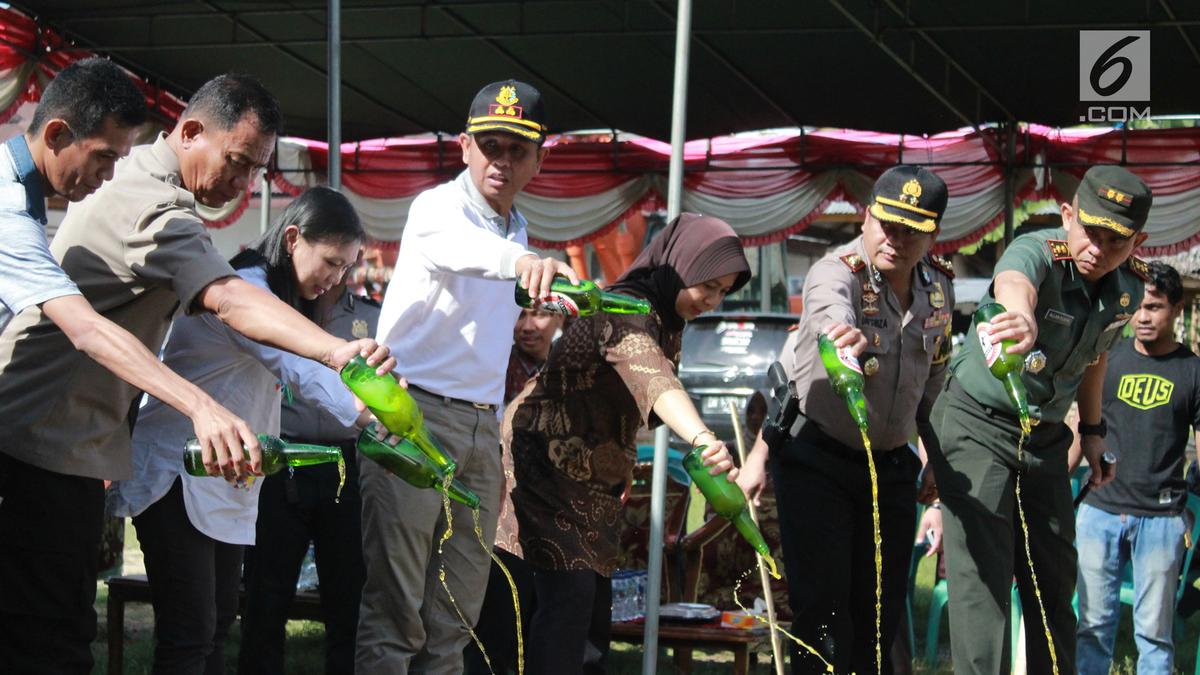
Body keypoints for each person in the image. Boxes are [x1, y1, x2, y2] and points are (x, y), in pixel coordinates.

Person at [0, 73, 391, 674]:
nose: (243, 184)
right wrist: (333, 354)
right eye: (237, 162)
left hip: (73, 442)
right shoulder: (150, 204)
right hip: (48, 441)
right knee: (57, 640)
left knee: (85, 629)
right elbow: (228, 299)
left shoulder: (146, 187)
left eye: (257, 170)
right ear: (189, 133)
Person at [0, 61, 265, 673]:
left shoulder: (33, 204)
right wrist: (199, 404)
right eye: (102, 157)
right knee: (50, 635)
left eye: (121, 158)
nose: (107, 175)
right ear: (58, 133)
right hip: (34, 451)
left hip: (46, 446)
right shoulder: (13, 209)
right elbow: (88, 328)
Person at [107, 186, 386, 674]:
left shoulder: (282, 297)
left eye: (346, 268)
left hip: (228, 478)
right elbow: (299, 366)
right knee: (190, 634)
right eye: (331, 262)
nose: (337, 279)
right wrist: (375, 419)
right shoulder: (247, 290)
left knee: (215, 628)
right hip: (180, 473)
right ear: (293, 238)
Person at [359, 78, 579, 673]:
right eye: (490, 144)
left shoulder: (518, 228)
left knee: (456, 615)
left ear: (540, 156)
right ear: (464, 146)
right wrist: (525, 262)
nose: (501, 160)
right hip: (412, 416)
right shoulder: (438, 207)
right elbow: (462, 248)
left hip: (482, 428)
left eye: (517, 148)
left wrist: (548, 306)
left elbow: (488, 314)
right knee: (396, 613)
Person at [927, 165, 1152, 674]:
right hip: (978, 424)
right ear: (1068, 214)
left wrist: (1093, 433)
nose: (1097, 248)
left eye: (1115, 241)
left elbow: (1096, 359)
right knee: (984, 576)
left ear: (1138, 241)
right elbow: (1013, 281)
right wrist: (1020, 315)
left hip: (1046, 435)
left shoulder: (1127, 290)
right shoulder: (1037, 250)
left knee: (1053, 573)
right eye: (1090, 231)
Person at [505, 213, 749, 674]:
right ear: (678, 266)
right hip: (540, 471)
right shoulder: (624, 309)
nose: (713, 301)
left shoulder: (665, 318)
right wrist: (702, 437)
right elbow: (653, 378)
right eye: (708, 286)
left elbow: (636, 402)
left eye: (723, 291)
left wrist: (622, 457)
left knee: (591, 624)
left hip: (590, 486)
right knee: (563, 617)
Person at [737, 165, 953, 674]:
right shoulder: (836, 271)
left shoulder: (938, 291)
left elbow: (934, 386)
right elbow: (829, 312)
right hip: (820, 460)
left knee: (878, 617)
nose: (895, 240)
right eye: (887, 225)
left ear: (933, 234)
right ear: (867, 216)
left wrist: (935, 462)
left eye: (912, 230)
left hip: (893, 469)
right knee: (825, 617)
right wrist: (843, 334)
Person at [238, 270, 383, 675]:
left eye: (342, 262)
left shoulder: (371, 317)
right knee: (266, 594)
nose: (332, 274)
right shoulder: (274, 310)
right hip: (281, 462)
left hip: (344, 465)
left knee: (348, 595)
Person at [1072, 261, 1200, 674]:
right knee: (1091, 628)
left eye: (1156, 307)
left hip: (1161, 517)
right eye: (1140, 307)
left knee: (1154, 635)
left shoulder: (1193, 371)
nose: (1144, 317)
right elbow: (1081, 426)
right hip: (1099, 510)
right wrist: (1057, 484)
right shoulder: (1107, 358)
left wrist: (1187, 514)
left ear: (1177, 309)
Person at [465, 306, 565, 674]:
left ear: (562, 319)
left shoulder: (569, 367)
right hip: (502, 507)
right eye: (519, 316)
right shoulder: (498, 366)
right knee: (500, 609)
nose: (526, 327)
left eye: (538, 316)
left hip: (555, 508)